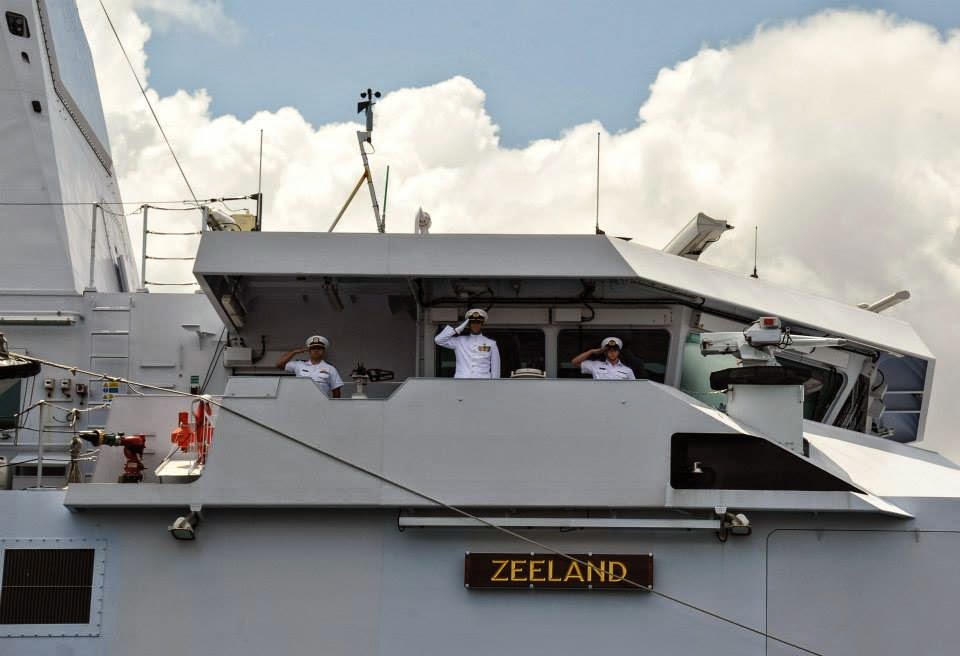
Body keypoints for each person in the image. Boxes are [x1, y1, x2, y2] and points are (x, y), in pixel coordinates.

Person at [434, 308, 501, 379]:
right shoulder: (459, 341)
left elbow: (495, 368)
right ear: (468, 324)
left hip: (483, 382)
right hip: (461, 382)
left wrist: (494, 385)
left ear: (482, 324)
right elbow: (438, 340)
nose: (475, 325)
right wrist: (458, 329)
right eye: (473, 323)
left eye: (478, 322)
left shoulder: (491, 343)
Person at [276, 335, 344, 397]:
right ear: (309, 350)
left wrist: (333, 408)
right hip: (300, 403)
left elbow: (336, 391)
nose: (316, 350)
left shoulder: (330, 368)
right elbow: (279, 364)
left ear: (324, 351)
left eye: (319, 348)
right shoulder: (299, 365)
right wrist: (295, 352)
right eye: (313, 348)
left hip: (322, 406)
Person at [571, 336, 636, 380]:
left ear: (618, 352)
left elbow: (633, 388)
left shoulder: (627, 370)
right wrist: (591, 351)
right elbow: (575, 362)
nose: (612, 353)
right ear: (604, 352)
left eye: (615, 350)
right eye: (609, 350)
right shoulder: (595, 365)